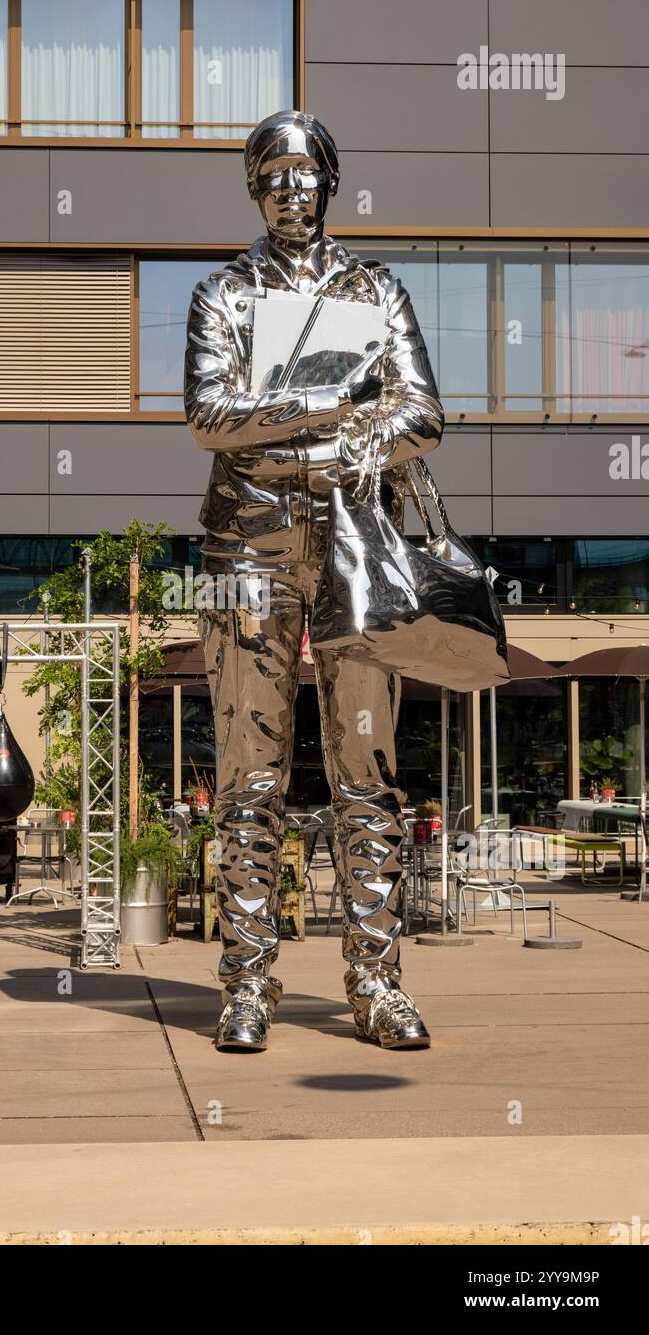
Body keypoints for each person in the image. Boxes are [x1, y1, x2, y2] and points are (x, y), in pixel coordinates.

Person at [184, 109, 444, 1051]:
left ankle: (377, 983)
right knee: (248, 782)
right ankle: (246, 984)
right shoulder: (221, 294)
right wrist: (333, 402)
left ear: (331, 182)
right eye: (275, 172)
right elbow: (210, 415)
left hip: (358, 541)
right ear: (254, 185)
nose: (293, 188)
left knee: (366, 776)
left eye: (308, 172)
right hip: (243, 549)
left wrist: (349, 434)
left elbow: (423, 412)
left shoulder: (379, 289)